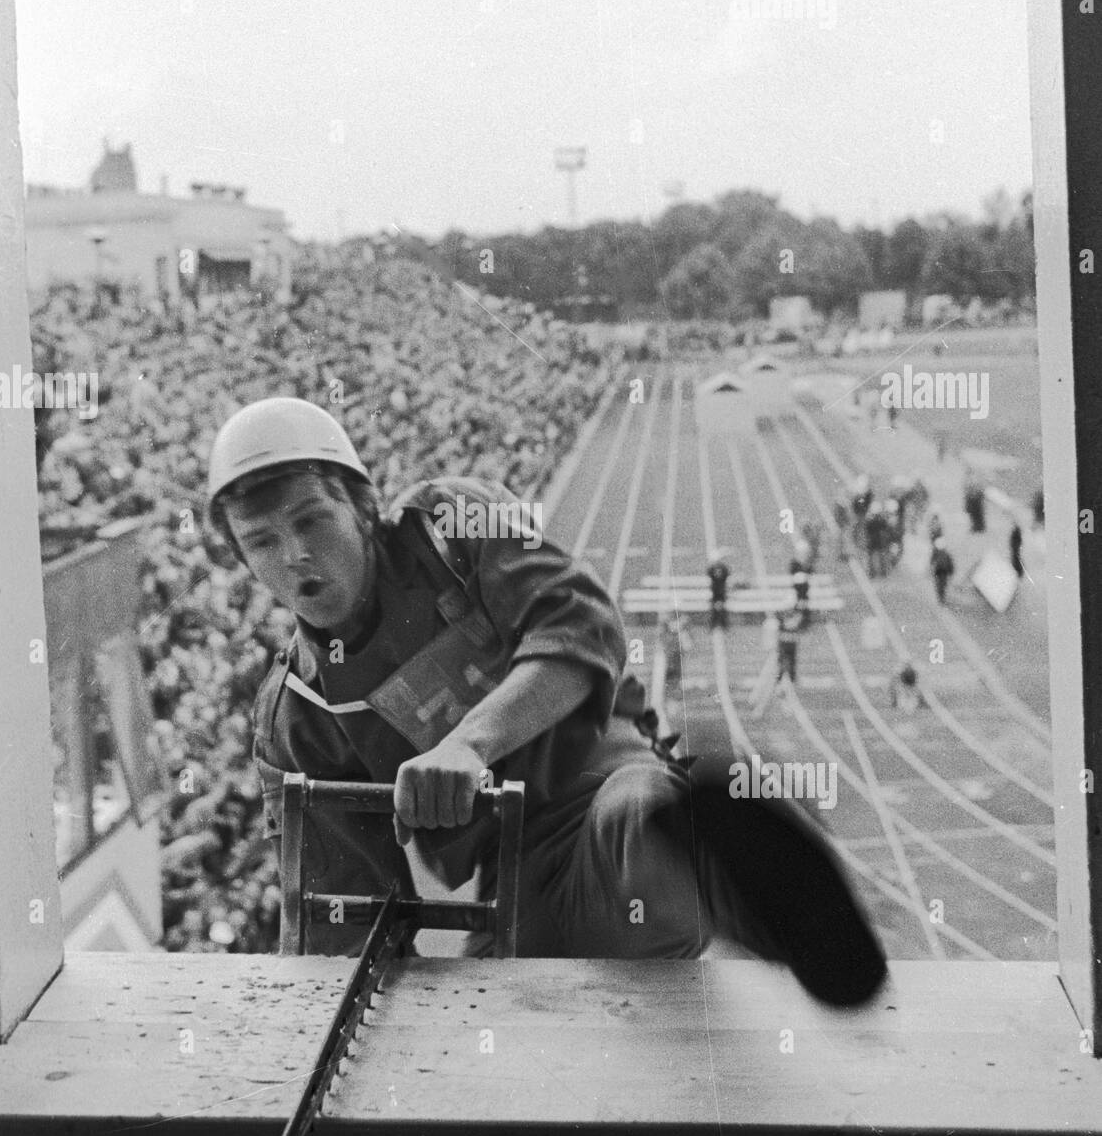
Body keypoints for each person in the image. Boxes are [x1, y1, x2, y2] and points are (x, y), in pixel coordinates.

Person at [205, 398, 887, 1005]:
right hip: (513, 885)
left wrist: (469, 744)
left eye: (311, 520)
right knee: (503, 1022)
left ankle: (725, 865)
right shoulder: (295, 714)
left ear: (362, 506)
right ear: (241, 560)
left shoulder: (450, 526)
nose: (295, 555)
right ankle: (712, 866)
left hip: (604, 786)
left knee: (636, 830)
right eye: (262, 541)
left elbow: (583, 626)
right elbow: (350, 924)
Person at [707, 549, 730, 631]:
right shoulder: (722, 568)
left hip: (718, 591)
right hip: (718, 591)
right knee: (717, 609)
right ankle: (720, 625)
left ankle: (718, 625)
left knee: (718, 609)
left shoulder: (717, 569)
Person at [930, 536, 955, 604]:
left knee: (939, 585)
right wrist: (951, 571)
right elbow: (950, 563)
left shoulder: (936, 552)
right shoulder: (946, 554)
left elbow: (932, 561)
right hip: (943, 571)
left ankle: (941, 597)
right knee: (942, 585)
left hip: (939, 570)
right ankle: (941, 598)